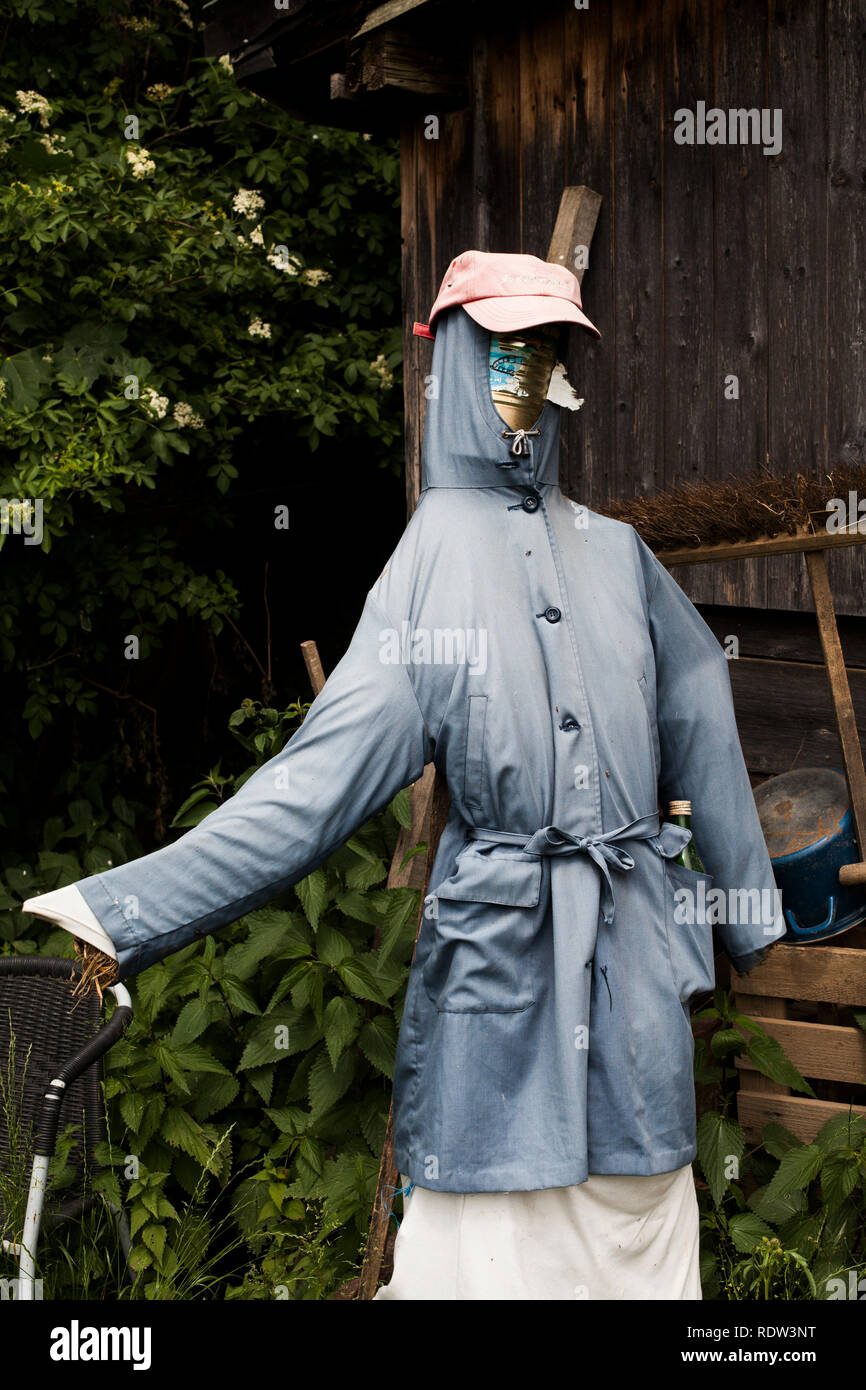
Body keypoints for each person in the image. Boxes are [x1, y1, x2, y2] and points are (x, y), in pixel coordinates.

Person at [25, 251, 784, 1299]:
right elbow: (319, 782)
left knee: (640, 1230)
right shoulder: (427, 566)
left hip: (631, 976)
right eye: (502, 353)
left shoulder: (617, 554)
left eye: (547, 353)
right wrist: (125, 911)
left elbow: (698, 698)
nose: (525, 379)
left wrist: (744, 907)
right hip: (501, 986)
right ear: (454, 363)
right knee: (486, 1253)